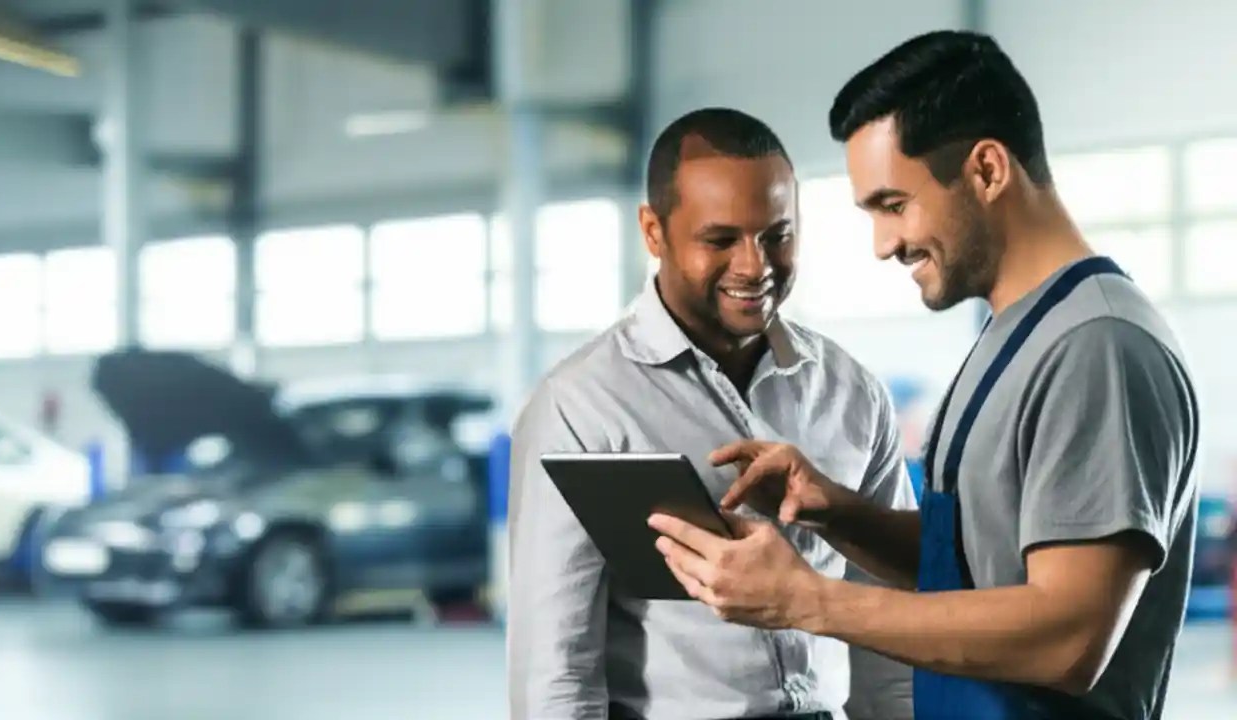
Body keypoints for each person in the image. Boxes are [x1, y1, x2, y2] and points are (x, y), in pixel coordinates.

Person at [648, 30, 1201, 720]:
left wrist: (808, 600)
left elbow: (1070, 635)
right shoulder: (1017, 335)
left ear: (988, 170)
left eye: (894, 205)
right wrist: (834, 511)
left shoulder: (1099, 346)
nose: (885, 244)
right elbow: (977, 569)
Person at [507, 108, 917, 720]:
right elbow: (556, 670)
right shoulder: (580, 406)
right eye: (720, 240)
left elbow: (891, 618)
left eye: (777, 234)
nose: (755, 266)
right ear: (654, 231)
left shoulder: (851, 392)